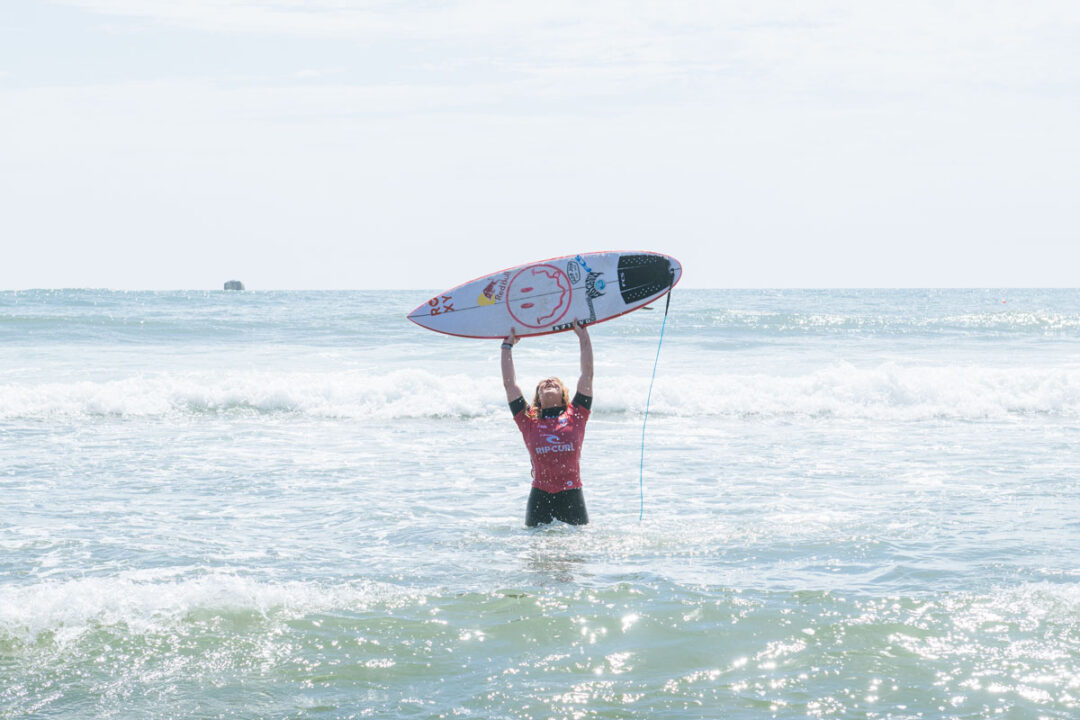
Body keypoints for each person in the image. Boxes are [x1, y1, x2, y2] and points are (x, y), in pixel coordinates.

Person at [501, 320, 593, 526]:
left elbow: (587, 374)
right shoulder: (529, 420)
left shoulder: (576, 414)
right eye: (543, 384)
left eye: (555, 383)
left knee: (578, 551)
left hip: (572, 492)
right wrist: (507, 347)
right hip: (540, 495)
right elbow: (509, 385)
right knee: (535, 552)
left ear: (563, 396)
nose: (548, 383)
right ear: (538, 398)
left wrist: (583, 336)